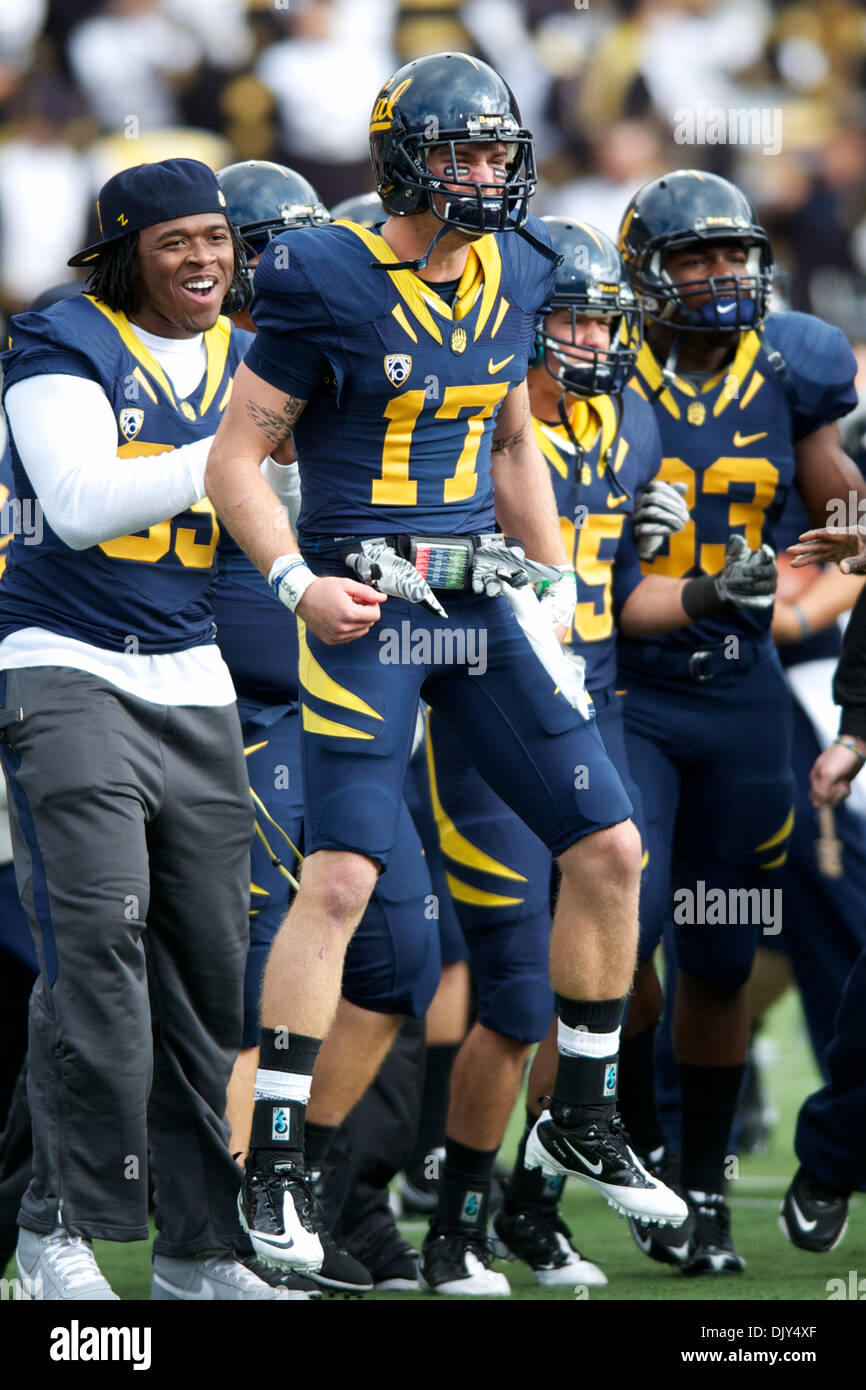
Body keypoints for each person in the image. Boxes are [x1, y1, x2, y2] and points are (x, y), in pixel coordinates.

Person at [203, 51, 687, 1281]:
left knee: (611, 849)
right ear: (406, 157)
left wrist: (556, 583)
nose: (487, 172)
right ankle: (271, 1168)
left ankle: (579, 1109)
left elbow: (513, 436)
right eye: (463, 152)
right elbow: (235, 463)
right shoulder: (322, 272)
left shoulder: (523, 267)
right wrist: (295, 581)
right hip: (365, 604)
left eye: (496, 150)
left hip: (471, 600)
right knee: (345, 877)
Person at [422, 216, 772, 1293]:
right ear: (522, 327)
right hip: (489, 704)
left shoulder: (626, 424)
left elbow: (614, 599)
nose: (589, 339)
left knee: (607, 966)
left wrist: (710, 589)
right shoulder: (477, 414)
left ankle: (525, 1204)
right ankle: (443, 1222)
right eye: (567, 319)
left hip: (594, 699)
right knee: (515, 991)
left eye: (599, 319)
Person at [0, 158, 290, 1301]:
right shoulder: (60, 339)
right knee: (98, 955)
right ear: (126, 252)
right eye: (177, 241)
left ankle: (195, 1248)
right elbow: (75, 502)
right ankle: (50, 1226)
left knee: (209, 979)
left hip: (192, 677)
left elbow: (285, 501)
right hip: (65, 667)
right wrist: (235, 461)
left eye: (217, 238)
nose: (205, 259)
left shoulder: (251, 358)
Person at [612, 168, 864, 1275]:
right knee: (622, 930)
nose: (719, 277)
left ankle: (701, 1190)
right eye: (692, 259)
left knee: (719, 953)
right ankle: (623, 1141)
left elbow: (839, 507)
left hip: (740, 693)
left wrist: (838, 543)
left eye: (732, 256)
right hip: (622, 686)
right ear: (644, 275)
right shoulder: (600, 366)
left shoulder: (793, 365)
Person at [214, 158, 440, 1294]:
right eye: (277, 251)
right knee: (258, 972)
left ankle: (308, 1191)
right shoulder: (211, 375)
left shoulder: (340, 359)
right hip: (240, 711)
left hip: (344, 702)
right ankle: (234, 1228)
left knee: (403, 960)